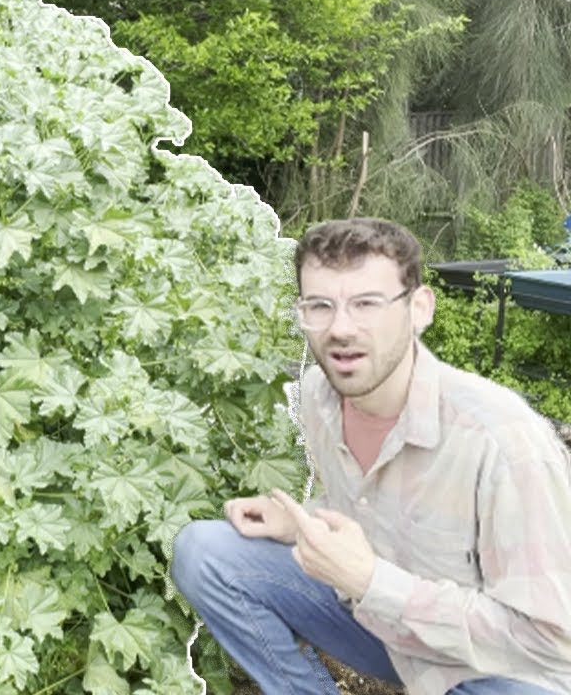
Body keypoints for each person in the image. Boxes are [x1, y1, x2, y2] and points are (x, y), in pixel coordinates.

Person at [170, 218, 571, 695]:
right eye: (320, 306)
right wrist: (298, 524)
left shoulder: (502, 443)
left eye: (367, 304)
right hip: (380, 628)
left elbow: (550, 641)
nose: (341, 329)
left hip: (488, 670)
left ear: (419, 308)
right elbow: (369, 513)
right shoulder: (321, 396)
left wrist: (372, 581)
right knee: (206, 553)